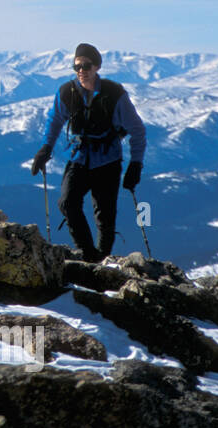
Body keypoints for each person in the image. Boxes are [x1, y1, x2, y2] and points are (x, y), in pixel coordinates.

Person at [30, 43, 146, 263]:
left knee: (105, 215)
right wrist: (46, 149)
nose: (81, 70)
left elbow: (137, 130)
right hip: (79, 158)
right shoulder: (67, 92)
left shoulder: (115, 94)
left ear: (97, 67)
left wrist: (136, 164)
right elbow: (54, 121)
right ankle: (87, 254)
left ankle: (103, 258)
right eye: (77, 67)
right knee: (67, 203)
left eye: (86, 65)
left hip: (108, 161)